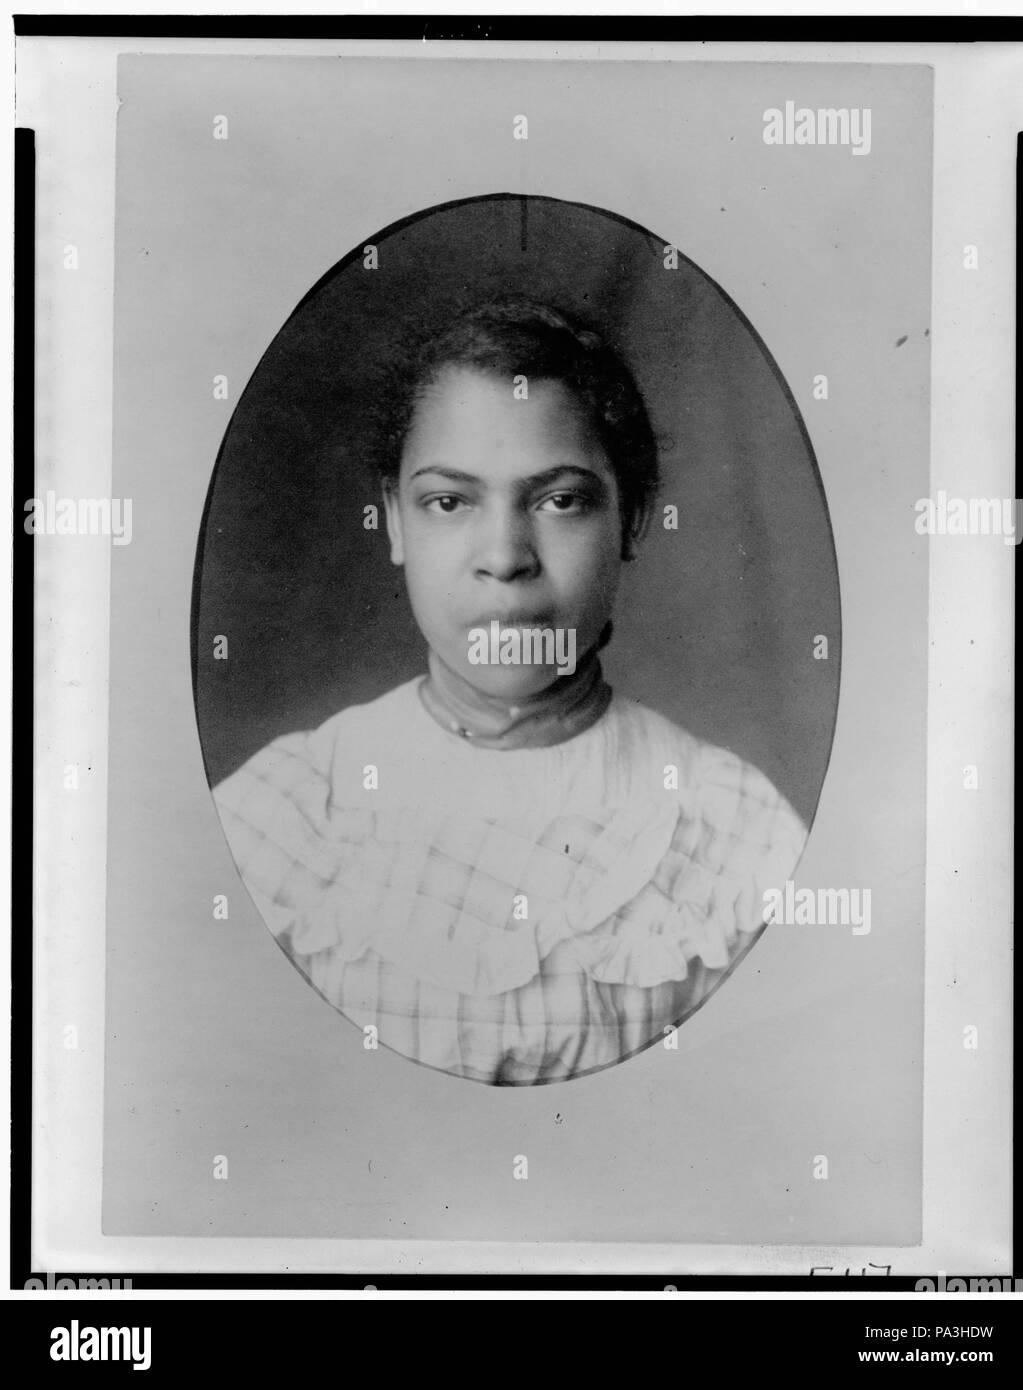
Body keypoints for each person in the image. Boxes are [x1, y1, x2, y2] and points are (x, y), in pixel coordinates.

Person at [213, 296, 807, 1085]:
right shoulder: (283, 817)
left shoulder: (734, 831)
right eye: (448, 502)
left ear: (629, 520)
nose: (505, 556)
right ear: (394, 521)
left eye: (560, 500)